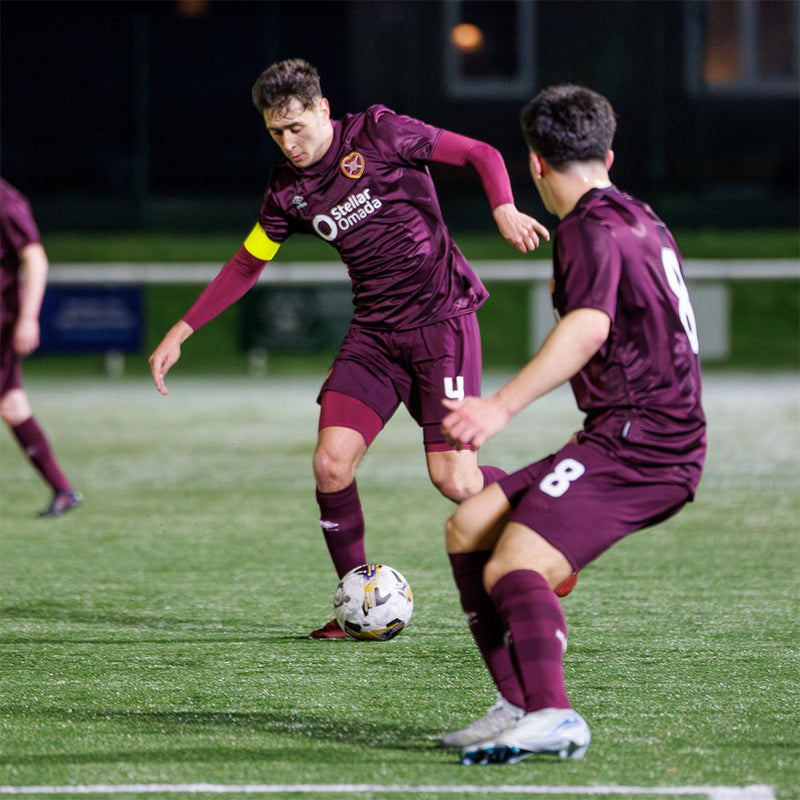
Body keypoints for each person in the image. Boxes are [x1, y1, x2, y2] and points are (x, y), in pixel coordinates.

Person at [148, 58, 553, 638]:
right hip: (374, 336)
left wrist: (504, 207)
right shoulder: (287, 191)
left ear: (321, 110)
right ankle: (356, 605)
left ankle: (538, 510)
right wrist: (181, 331)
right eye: (276, 133)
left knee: (457, 483)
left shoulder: (380, 133)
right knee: (331, 464)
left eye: (297, 128)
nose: (289, 144)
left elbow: (480, 153)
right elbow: (246, 264)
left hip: (443, 323)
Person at [439, 84, 706, 765]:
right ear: (607, 154)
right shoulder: (638, 214)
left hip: (643, 443)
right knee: (469, 523)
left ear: (534, 164)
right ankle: (517, 705)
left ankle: (553, 714)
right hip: (630, 431)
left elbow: (589, 327)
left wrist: (497, 406)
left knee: (514, 564)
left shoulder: (587, 227)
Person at [0, 179, 82, 517]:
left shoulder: (5, 200)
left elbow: (35, 258)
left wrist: (29, 317)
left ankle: (63, 490)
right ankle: (63, 490)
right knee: (12, 405)